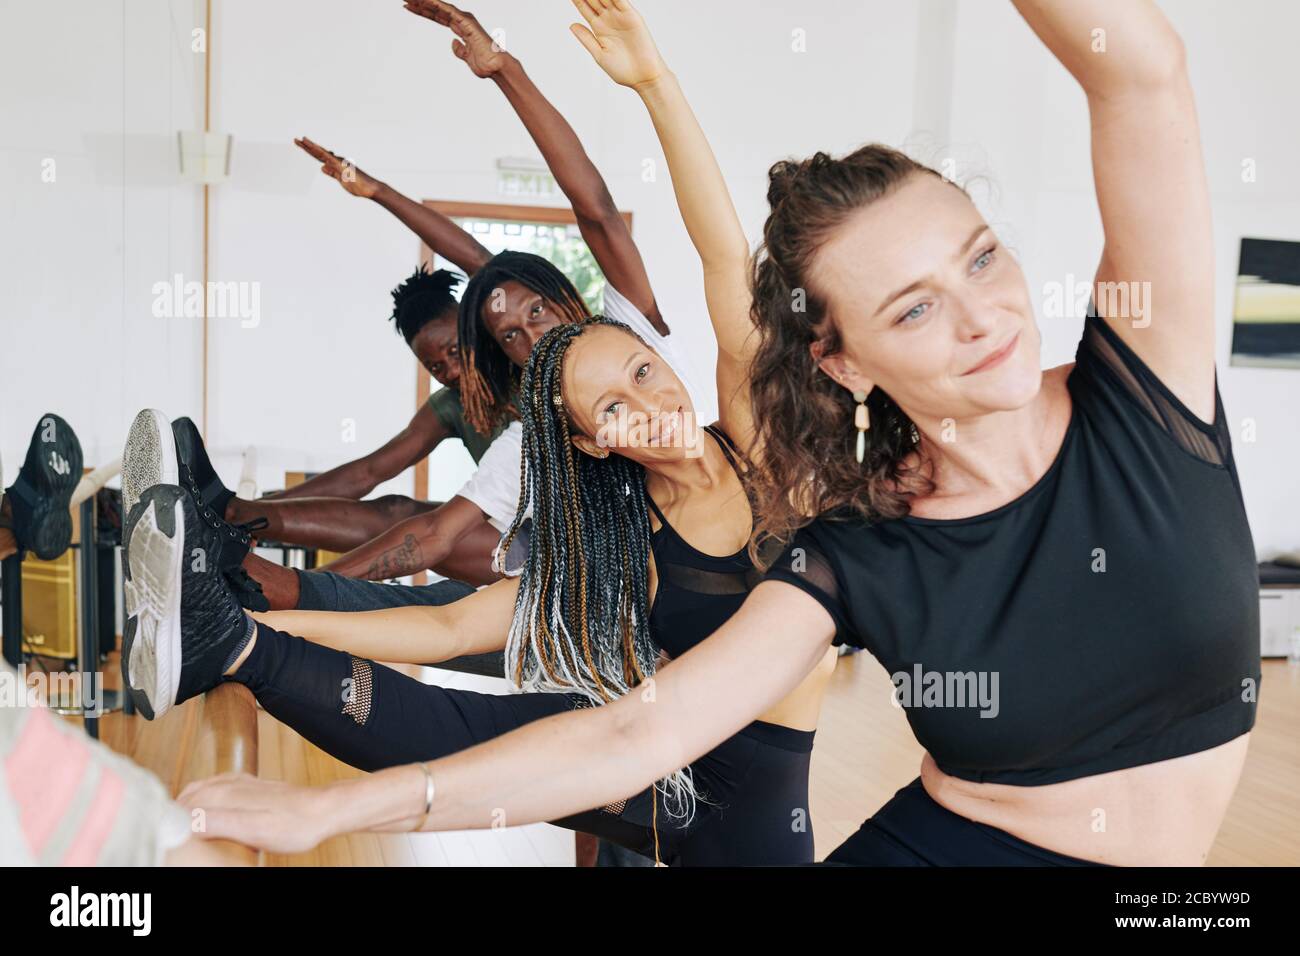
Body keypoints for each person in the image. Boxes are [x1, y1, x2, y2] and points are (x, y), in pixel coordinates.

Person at [179, 0, 1258, 868]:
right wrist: (327, 815)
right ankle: (223, 626)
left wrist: (646, 83)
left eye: (979, 257)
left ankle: (224, 612)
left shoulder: (1145, 386)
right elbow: (615, 723)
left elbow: (1139, 67)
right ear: (839, 359)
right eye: (912, 308)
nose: (983, 316)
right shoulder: (850, 546)